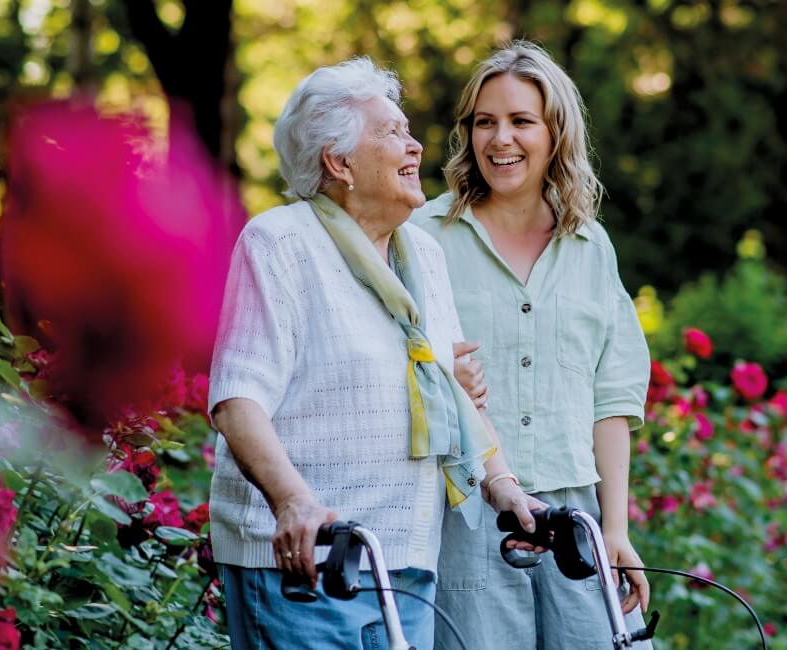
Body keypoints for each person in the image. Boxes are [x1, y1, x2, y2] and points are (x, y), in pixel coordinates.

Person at [207, 57, 544, 649]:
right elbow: (237, 398)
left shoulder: (422, 255)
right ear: (339, 162)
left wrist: (504, 485)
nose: (415, 145)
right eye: (392, 133)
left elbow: (451, 393)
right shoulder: (281, 243)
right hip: (307, 562)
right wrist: (293, 502)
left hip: (405, 559)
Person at [415, 42, 653, 649]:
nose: (501, 140)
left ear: (555, 133)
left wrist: (617, 530)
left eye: (521, 121)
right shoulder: (422, 239)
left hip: (576, 518)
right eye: (484, 122)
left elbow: (611, 398)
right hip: (467, 516)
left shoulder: (590, 246)